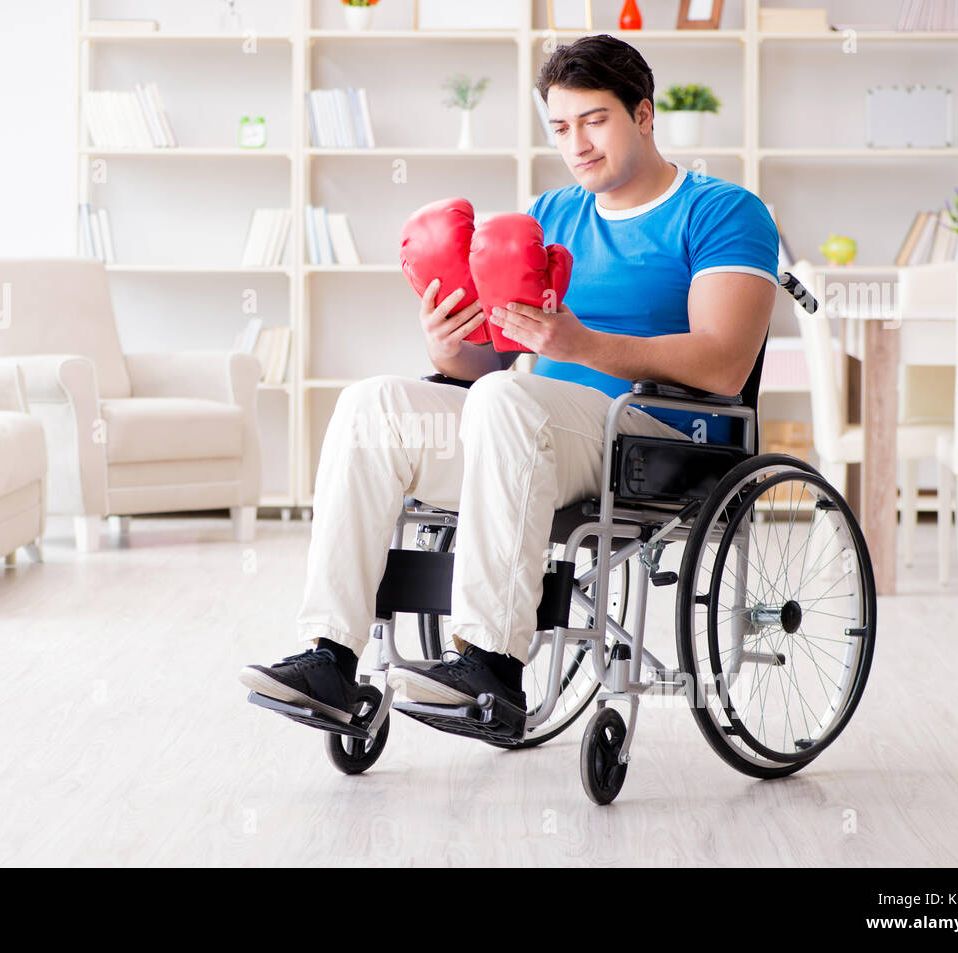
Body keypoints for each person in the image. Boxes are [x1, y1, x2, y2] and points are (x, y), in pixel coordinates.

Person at [239, 35, 779, 729]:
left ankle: (491, 664)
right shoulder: (550, 215)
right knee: (371, 402)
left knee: (506, 399)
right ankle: (330, 658)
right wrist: (449, 342)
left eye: (594, 121)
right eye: (559, 127)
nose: (576, 143)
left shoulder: (722, 211)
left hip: (654, 438)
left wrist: (581, 344)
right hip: (524, 429)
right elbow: (488, 365)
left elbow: (723, 362)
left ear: (644, 114)